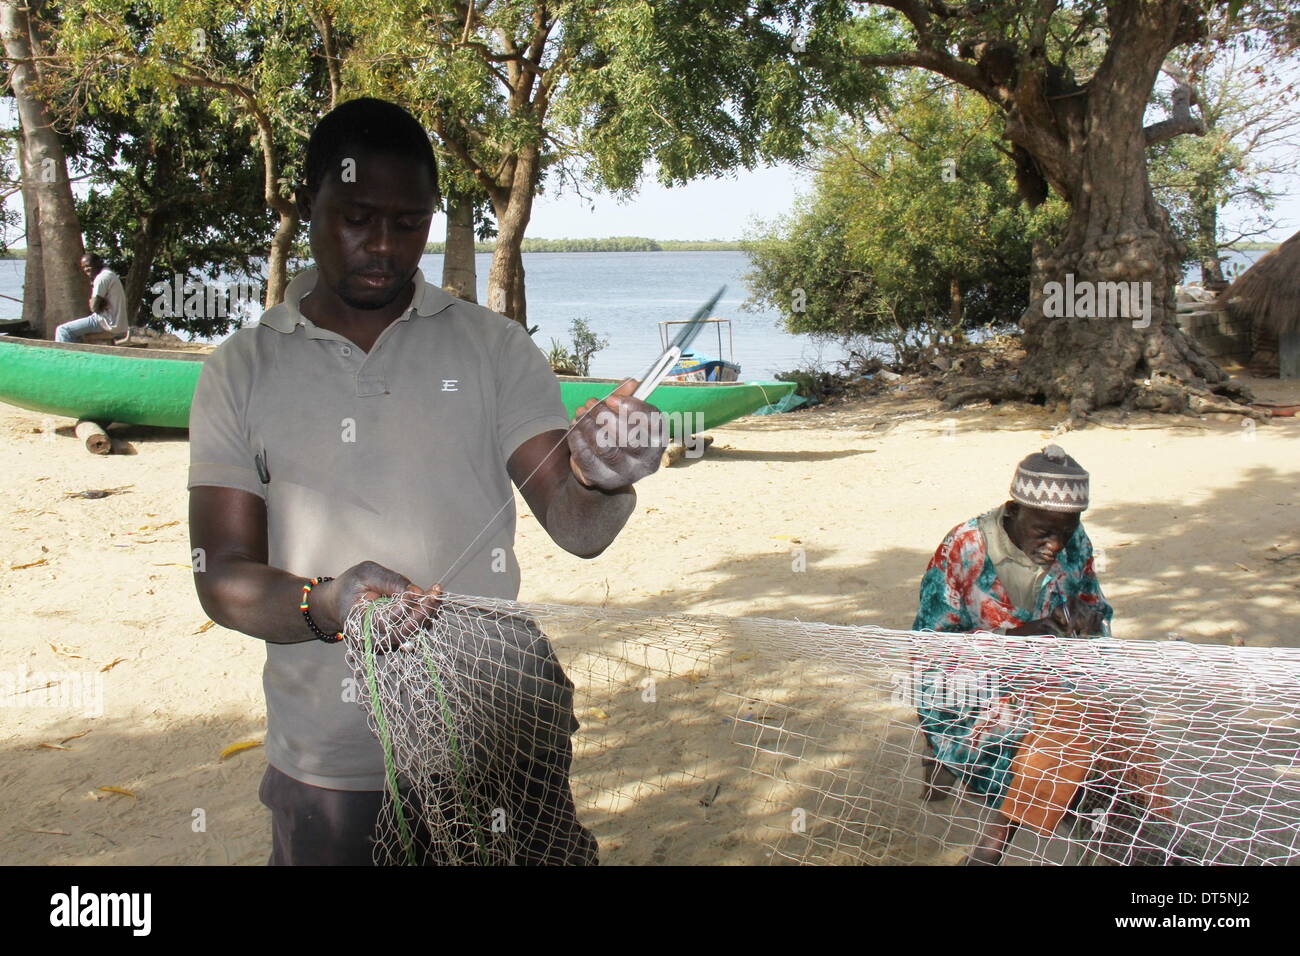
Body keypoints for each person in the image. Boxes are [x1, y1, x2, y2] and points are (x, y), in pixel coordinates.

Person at [187, 98, 664, 865]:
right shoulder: (241, 369)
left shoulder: (495, 349)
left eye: (409, 223)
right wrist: (329, 602)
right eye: (356, 217)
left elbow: (576, 530)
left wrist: (606, 479)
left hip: (497, 743)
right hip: (332, 768)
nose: (383, 245)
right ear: (308, 204)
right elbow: (224, 580)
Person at [910, 445, 1158, 865]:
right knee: (1056, 743)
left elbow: (1094, 608)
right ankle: (1000, 841)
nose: (1056, 544)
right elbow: (930, 651)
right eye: (1044, 531)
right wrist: (1018, 637)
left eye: (1067, 529)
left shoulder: (1073, 542)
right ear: (1013, 512)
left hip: (1054, 676)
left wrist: (1085, 621)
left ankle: (1127, 835)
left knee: (1119, 724)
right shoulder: (966, 547)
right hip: (970, 686)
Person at [54, 253, 126, 343]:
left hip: (105, 321)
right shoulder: (110, 274)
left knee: (63, 331)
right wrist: (99, 302)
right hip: (116, 322)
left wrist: (95, 303)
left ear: (98, 263)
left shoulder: (102, 278)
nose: (86, 269)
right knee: (75, 334)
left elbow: (94, 307)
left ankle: (64, 357)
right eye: (84, 267)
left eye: (88, 266)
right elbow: (97, 304)